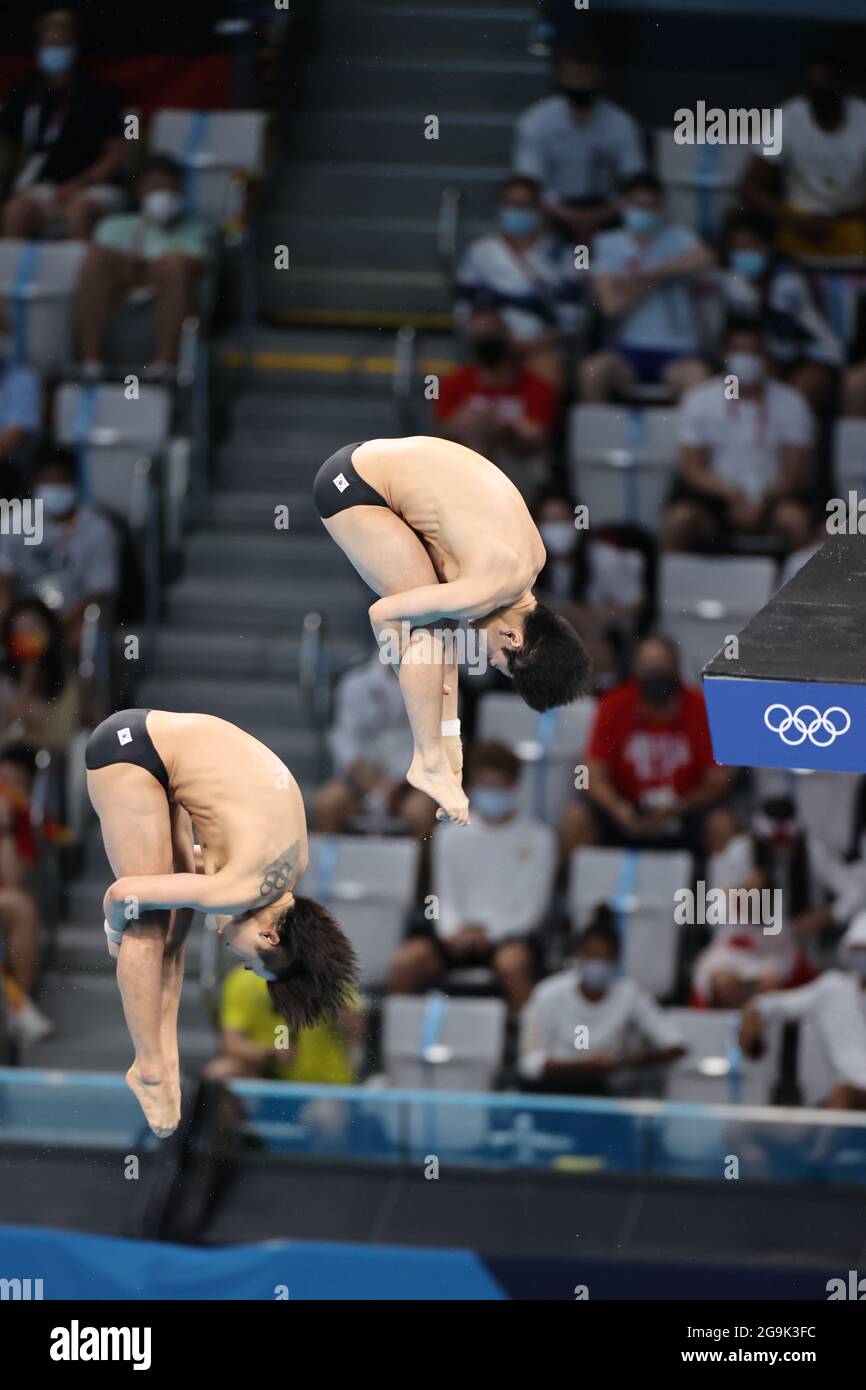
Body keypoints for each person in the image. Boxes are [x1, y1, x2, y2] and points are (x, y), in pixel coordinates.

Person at [85, 708, 357, 1138]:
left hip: (157, 750)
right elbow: (121, 895)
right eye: (253, 963)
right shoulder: (241, 890)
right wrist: (114, 926)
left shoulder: (292, 867)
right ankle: (149, 1068)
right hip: (130, 753)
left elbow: (195, 866)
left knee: (175, 929)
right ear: (270, 934)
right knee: (148, 926)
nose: (238, 959)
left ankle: (164, 1056)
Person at [314, 436, 591, 826]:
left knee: (435, 629)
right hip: (352, 484)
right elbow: (383, 614)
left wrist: (449, 739)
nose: (489, 659)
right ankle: (427, 762)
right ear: (515, 638)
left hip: (384, 463)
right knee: (424, 631)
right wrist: (402, 664)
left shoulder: (533, 560)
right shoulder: (484, 592)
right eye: (501, 664)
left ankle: (440, 755)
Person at [390, 740, 556, 1013]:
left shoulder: (540, 839)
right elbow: (444, 896)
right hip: (456, 936)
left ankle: (529, 1046)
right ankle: (396, 1042)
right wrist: (453, 932)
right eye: (484, 784)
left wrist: (490, 933)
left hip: (509, 936)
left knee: (512, 965)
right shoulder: (450, 834)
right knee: (407, 962)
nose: (490, 792)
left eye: (497, 784)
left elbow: (532, 908)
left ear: (514, 785)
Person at [561, 635, 730, 858]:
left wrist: (680, 806)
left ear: (676, 669)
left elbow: (718, 779)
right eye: (648, 666)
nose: (655, 673)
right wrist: (617, 808)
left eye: (661, 666)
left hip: (684, 810)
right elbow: (592, 773)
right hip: (625, 810)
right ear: (636, 670)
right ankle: (581, 889)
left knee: (722, 824)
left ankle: (718, 892)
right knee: (575, 819)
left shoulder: (701, 707)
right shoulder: (614, 704)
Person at [661, 320, 815, 554]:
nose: (747, 359)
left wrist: (762, 499)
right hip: (716, 499)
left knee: (795, 521)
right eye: (739, 351)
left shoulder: (792, 402)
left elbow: (796, 472)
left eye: (754, 351)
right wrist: (732, 495)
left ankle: (806, 589)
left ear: (766, 355)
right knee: (679, 520)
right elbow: (692, 467)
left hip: (772, 499)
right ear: (725, 354)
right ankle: (667, 588)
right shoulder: (700, 399)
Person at [518, 907, 685, 1094]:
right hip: (551, 1089)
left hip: (603, 1088)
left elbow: (676, 1045)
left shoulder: (629, 994)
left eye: (606, 957)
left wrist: (626, 1062)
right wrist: (584, 1066)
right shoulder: (547, 993)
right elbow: (530, 1064)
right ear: (579, 956)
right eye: (592, 955)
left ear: (617, 960)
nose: (599, 964)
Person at [75, 154, 214, 377]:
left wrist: (136, 269)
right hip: (119, 311)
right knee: (96, 261)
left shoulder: (199, 229)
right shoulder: (114, 225)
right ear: (140, 190)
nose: (163, 195)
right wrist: (145, 270)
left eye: (170, 189)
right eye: (156, 187)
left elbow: (192, 264)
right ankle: (90, 362)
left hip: (176, 310)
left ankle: (164, 366)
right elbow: (102, 268)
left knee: (176, 267)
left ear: (181, 193)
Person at [579, 172, 713, 402]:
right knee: (592, 371)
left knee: (698, 377)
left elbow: (707, 259)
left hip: (677, 351)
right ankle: (601, 435)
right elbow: (611, 307)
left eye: (652, 206)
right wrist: (657, 279)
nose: (646, 211)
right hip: (627, 350)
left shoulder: (678, 237)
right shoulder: (607, 243)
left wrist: (646, 275)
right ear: (624, 205)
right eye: (640, 205)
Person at [0, 9, 125, 240]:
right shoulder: (27, 92)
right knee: (15, 211)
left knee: (78, 212)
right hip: (46, 186)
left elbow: (119, 150)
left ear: (75, 47)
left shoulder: (102, 93)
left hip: (96, 187)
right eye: (50, 43)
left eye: (62, 43)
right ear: (39, 49)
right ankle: (11, 275)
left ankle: (76, 276)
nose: (55, 50)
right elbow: (7, 132)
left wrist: (80, 184)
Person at [512, 41, 645, 247]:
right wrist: (569, 216)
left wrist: (598, 215)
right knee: (527, 208)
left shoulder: (621, 124)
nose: (580, 86)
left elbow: (635, 180)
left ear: (599, 78)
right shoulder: (535, 122)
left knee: (638, 214)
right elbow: (530, 183)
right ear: (561, 78)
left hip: (606, 211)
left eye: (586, 78)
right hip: (554, 210)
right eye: (574, 78)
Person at [454, 176, 582, 384]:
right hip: (491, 348)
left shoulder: (562, 254)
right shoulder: (482, 251)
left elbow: (572, 320)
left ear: (539, 208)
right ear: (501, 208)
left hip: (541, 346)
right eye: (512, 205)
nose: (518, 211)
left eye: (525, 205)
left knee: (548, 371)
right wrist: (496, 341)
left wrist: (532, 344)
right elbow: (464, 307)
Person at [741, 52, 866, 262]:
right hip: (797, 221)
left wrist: (843, 217)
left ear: (842, 86)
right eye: (813, 85)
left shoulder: (862, 118)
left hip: (851, 223)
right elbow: (750, 187)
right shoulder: (787, 117)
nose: (819, 93)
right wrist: (793, 222)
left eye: (826, 85)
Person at [716, 212, 843, 411]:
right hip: (763, 357)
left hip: (813, 355)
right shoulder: (731, 281)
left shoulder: (789, 278)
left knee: (792, 400)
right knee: (731, 390)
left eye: (751, 247)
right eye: (738, 248)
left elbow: (783, 331)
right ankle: (735, 434)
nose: (745, 253)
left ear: (767, 248)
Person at [739, 912, 866, 1110]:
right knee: (742, 1133)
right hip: (837, 1100)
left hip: (845, 1099)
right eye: (858, 950)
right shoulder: (833, 988)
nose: (862, 957)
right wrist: (753, 1011)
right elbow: (774, 1005)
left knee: (844, 1095)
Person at [0, 445, 119, 652]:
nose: (53, 486)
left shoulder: (98, 529)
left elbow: (98, 594)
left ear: (74, 483)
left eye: (60, 480)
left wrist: (54, 627)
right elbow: (5, 582)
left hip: (72, 618)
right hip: (23, 617)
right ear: (35, 484)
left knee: (88, 633)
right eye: (47, 480)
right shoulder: (14, 522)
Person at [312, 652, 435, 839]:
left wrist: (397, 784)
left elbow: (432, 742)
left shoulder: (437, 684)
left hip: (411, 782)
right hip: (363, 778)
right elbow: (345, 739)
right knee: (326, 804)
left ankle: (420, 869)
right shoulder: (355, 683)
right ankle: (331, 867)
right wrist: (372, 785)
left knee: (418, 813)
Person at [532, 485, 646, 686]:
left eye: (562, 520)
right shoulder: (526, 563)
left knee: (594, 652)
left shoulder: (605, 558)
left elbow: (636, 602)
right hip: (547, 637)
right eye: (549, 521)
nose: (556, 529)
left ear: (577, 521)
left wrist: (596, 615)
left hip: (598, 636)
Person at [434, 308, 558, 462]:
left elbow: (537, 436)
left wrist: (502, 428)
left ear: (506, 336)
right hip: (465, 459)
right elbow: (441, 431)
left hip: (517, 464)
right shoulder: (454, 382)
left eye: (489, 334)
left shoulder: (535, 385)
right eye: (478, 336)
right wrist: (465, 422)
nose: (485, 341)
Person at [206, 965, 364, 1085]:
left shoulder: (328, 976)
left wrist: (328, 993)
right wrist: (270, 1054)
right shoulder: (244, 979)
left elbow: (358, 1033)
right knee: (218, 1074)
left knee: (323, 1114)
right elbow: (231, 1044)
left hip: (324, 1085)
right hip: (267, 1079)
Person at [0, 597, 81, 754]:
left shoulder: (65, 681)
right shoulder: (3, 678)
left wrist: (37, 720)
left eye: (34, 631)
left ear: (50, 634)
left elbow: (64, 739)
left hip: (45, 765)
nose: (27, 639)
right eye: (20, 632)